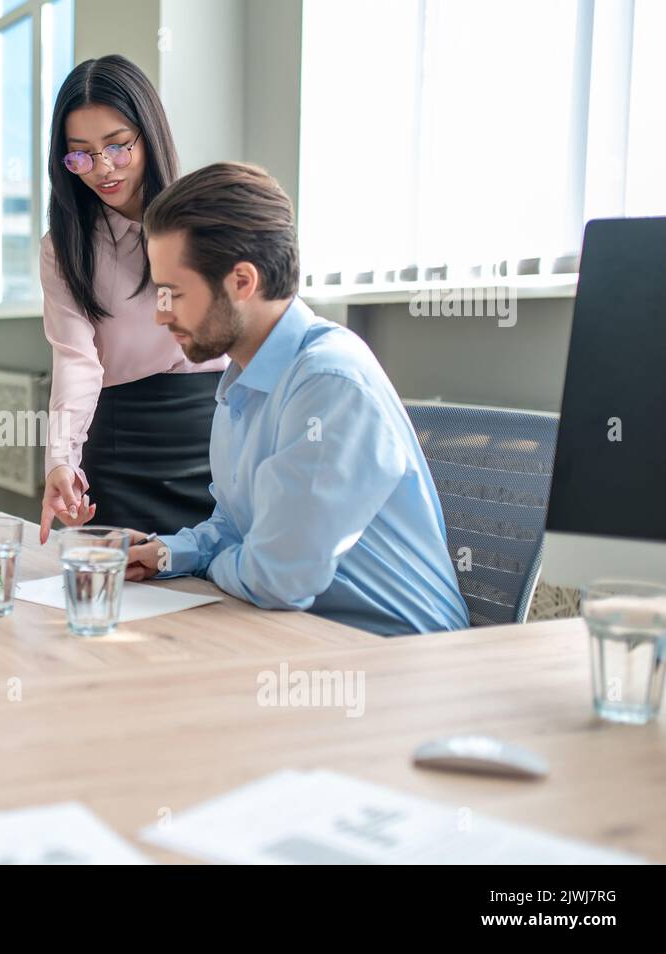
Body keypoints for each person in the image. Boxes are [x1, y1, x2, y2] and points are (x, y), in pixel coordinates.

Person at [124, 163, 470, 636]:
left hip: (397, 659)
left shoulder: (329, 383)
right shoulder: (243, 382)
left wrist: (218, 564)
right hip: (304, 636)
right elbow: (238, 525)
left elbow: (277, 578)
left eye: (173, 294)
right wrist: (167, 553)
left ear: (241, 282)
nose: (162, 317)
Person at [38, 54, 228, 544]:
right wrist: (62, 459)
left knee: (224, 598)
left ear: (149, 134)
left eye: (118, 147)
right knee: (122, 602)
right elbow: (76, 361)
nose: (101, 169)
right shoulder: (65, 246)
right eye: (79, 154)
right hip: (121, 446)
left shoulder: (206, 218)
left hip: (217, 436)